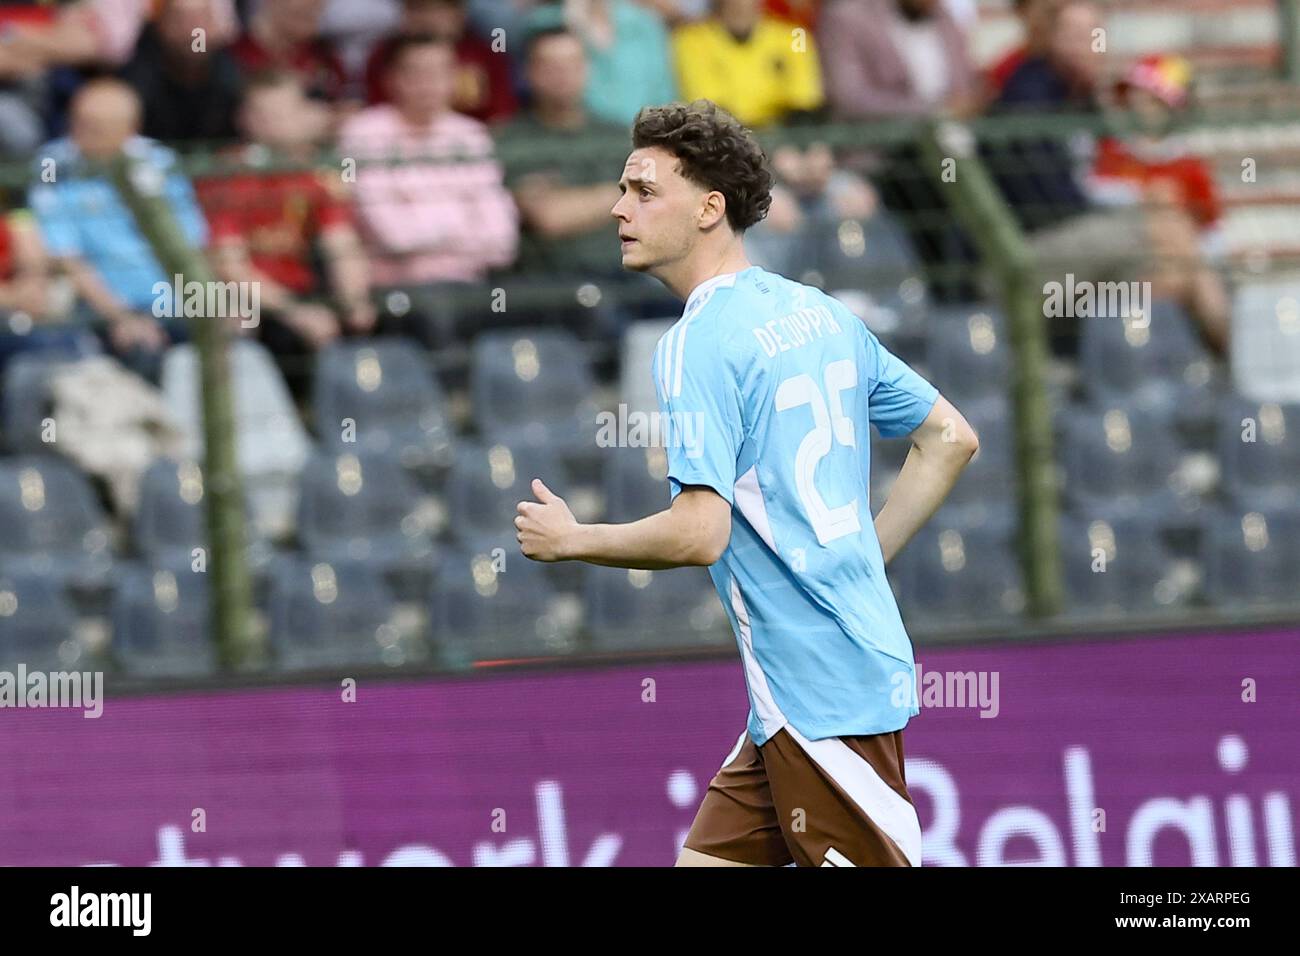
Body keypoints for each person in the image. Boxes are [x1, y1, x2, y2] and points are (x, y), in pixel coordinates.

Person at [513, 100, 979, 867]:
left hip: (821, 694)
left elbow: (702, 531)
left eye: (642, 190)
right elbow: (950, 438)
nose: (617, 207)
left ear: (708, 208)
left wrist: (574, 540)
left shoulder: (696, 341)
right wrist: (859, 560)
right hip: (812, 685)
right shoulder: (817, 310)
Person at [196, 71, 376, 396]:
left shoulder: (316, 173)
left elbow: (342, 244)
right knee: (243, 320)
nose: (275, 124)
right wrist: (297, 312)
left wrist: (355, 302)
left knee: (369, 318)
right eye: (264, 115)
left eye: (284, 113)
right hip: (248, 300)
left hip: (301, 291)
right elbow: (229, 268)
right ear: (244, 119)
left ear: (303, 116)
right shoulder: (226, 174)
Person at [28, 78, 209, 383]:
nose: (79, 134)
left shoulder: (161, 163)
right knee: (142, 351)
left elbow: (191, 246)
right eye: (77, 121)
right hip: (101, 307)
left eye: (96, 127)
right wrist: (121, 316)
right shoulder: (52, 166)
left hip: (171, 299)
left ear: (130, 129)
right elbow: (68, 259)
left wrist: (210, 302)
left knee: (234, 330)